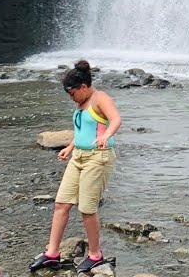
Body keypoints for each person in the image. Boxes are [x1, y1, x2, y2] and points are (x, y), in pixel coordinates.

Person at [30, 61, 122, 273]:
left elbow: (116, 120)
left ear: (83, 87)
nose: (71, 98)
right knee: (62, 203)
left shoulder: (100, 98)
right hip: (79, 157)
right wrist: (70, 147)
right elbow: (82, 129)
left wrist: (106, 135)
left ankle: (96, 255)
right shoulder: (81, 102)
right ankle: (51, 254)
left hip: (98, 157)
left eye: (72, 93)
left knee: (87, 209)